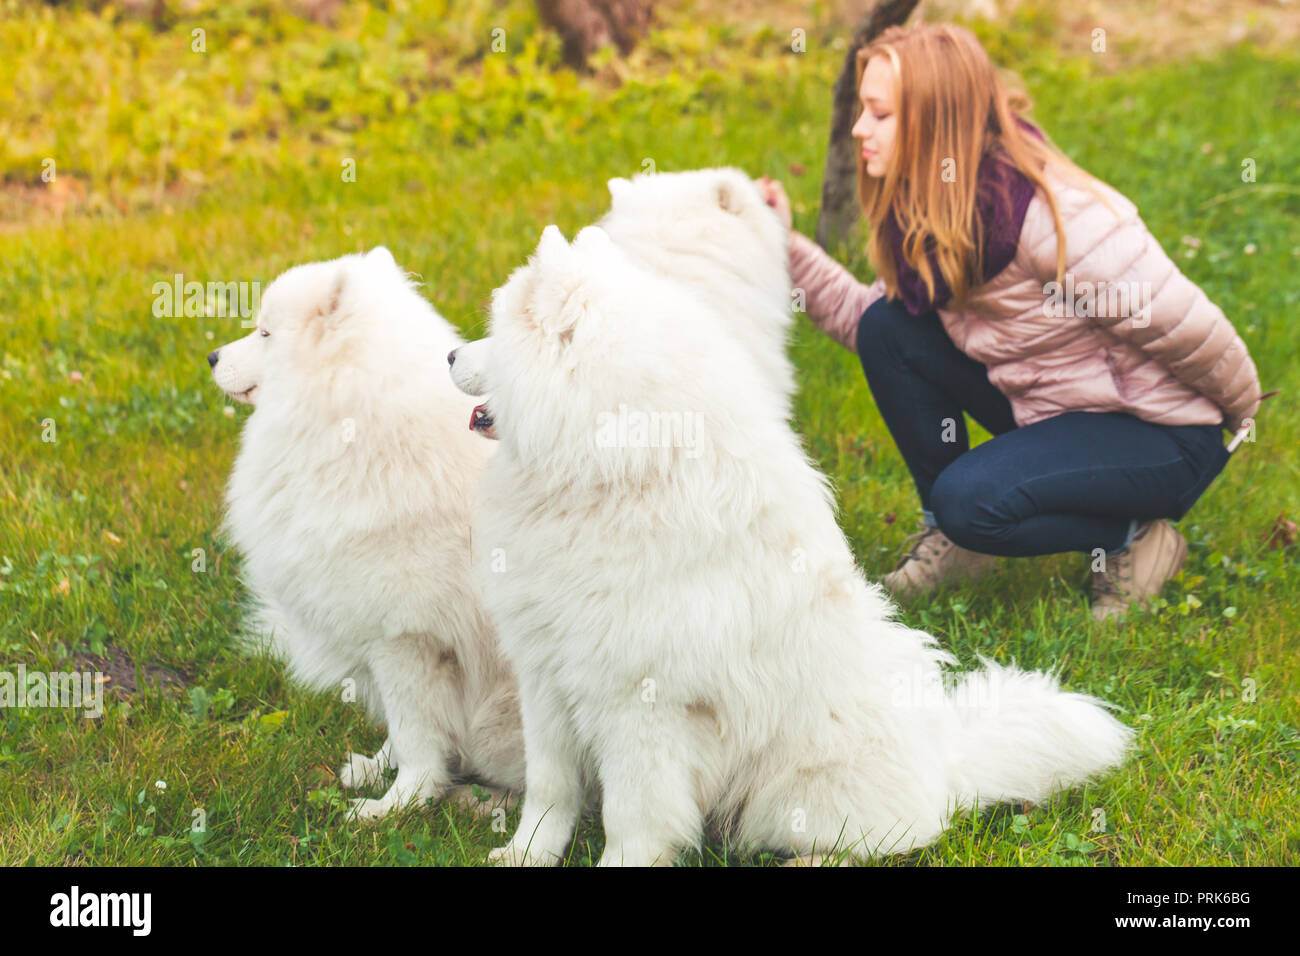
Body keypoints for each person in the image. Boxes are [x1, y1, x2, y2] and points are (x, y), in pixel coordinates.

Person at [759, 23, 1261, 621]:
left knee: (970, 502)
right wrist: (779, 244)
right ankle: (960, 541)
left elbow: (1186, 326)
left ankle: (1132, 534)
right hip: (1062, 409)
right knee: (889, 329)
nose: (858, 128)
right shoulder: (932, 209)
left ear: (933, 123)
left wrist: (1238, 417)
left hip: (1163, 433)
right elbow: (869, 325)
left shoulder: (1050, 220)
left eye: (879, 114)